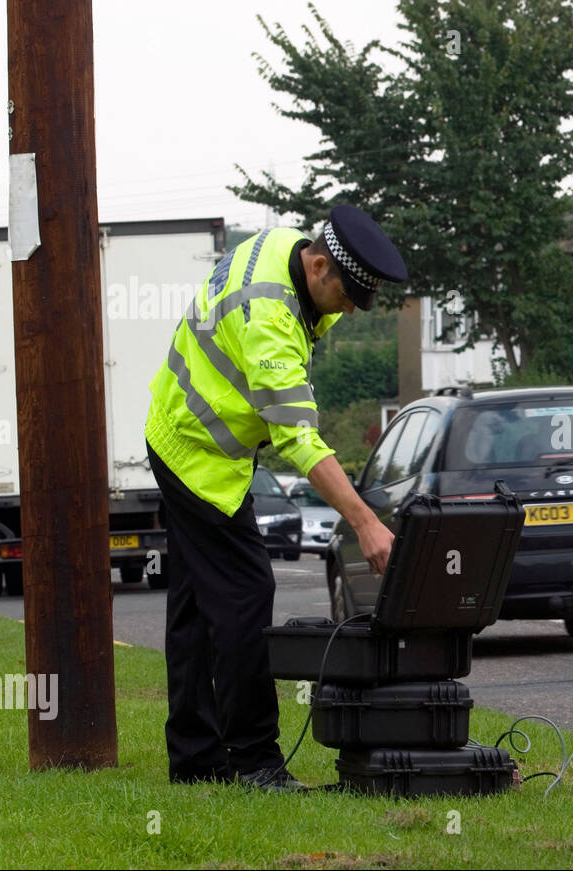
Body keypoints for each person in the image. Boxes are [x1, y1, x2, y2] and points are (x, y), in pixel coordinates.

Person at [144, 205, 406, 791]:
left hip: (177, 428)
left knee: (192, 606)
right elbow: (298, 439)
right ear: (317, 266)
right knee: (246, 592)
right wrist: (365, 523)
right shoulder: (270, 317)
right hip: (197, 454)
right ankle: (255, 760)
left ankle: (195, 759)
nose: (346, 312)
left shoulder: (284, 247)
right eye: (345, 298)